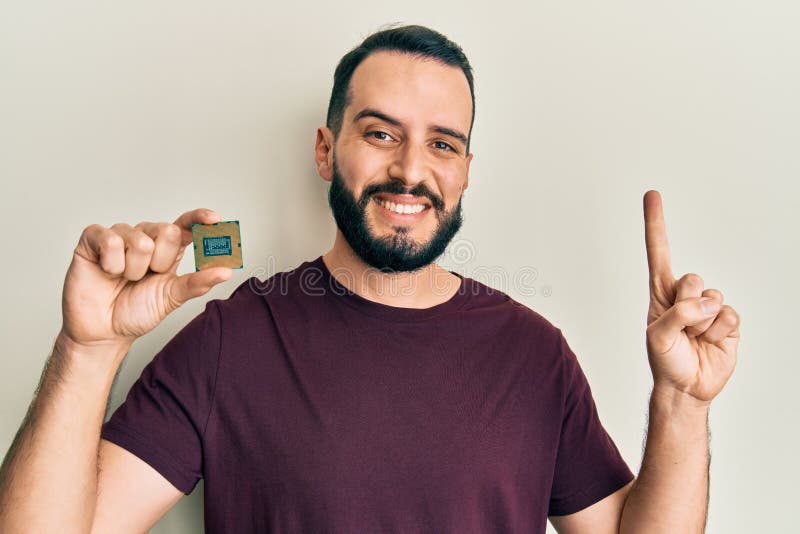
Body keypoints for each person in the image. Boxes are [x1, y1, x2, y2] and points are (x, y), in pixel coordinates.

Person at [0, 25, 740, 533]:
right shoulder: (233, 341)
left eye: (441, 144)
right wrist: (86, 349)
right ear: (326, 150)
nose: (411, 170)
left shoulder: (535, 356)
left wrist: (681, 402)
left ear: (465, 173)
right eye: (381, 132)